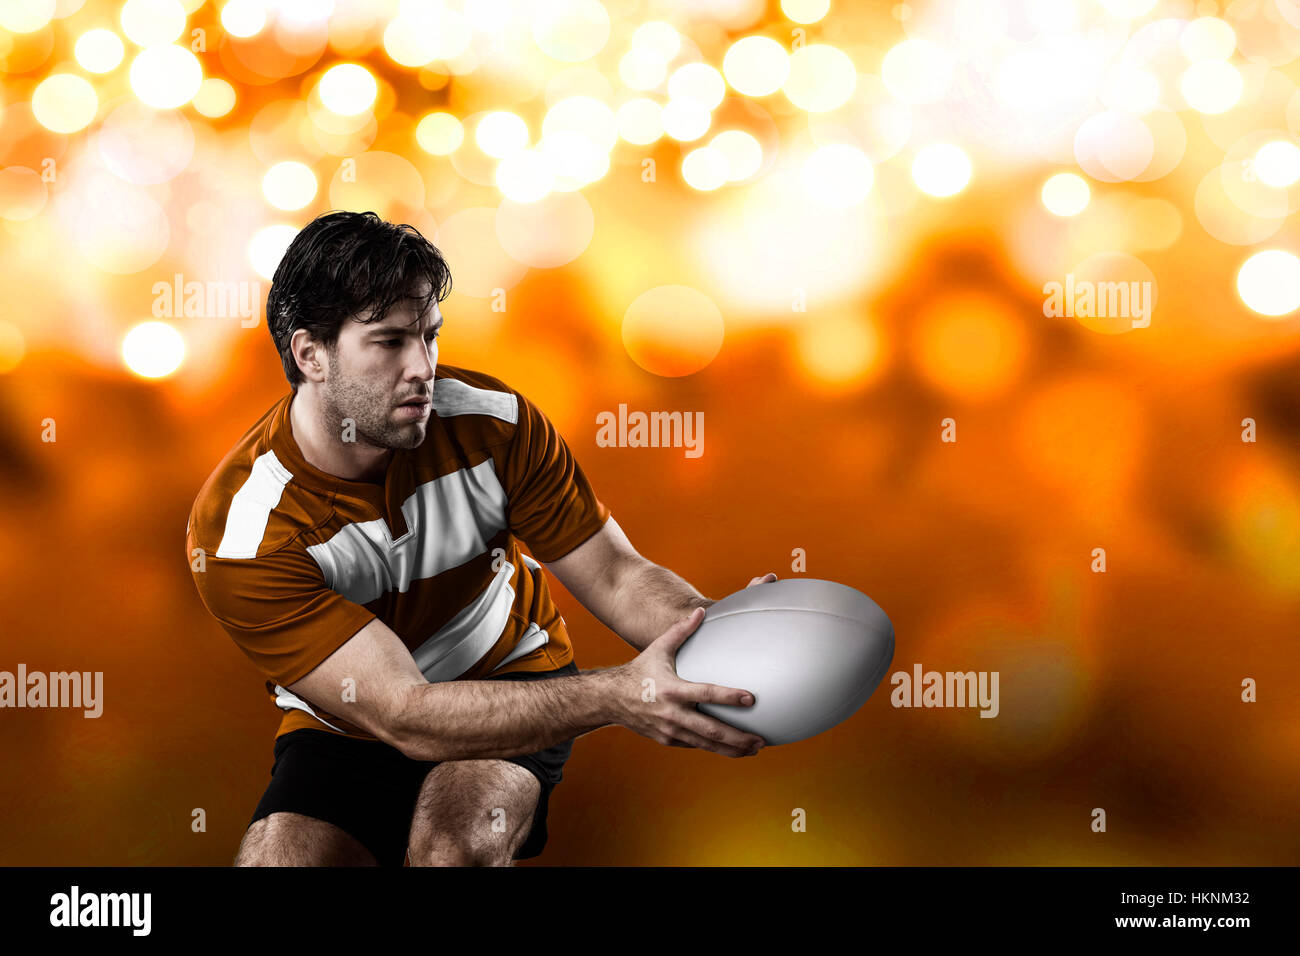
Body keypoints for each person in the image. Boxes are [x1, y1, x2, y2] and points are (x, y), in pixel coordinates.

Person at [185, 210, 771, 867]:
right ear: (309, 354)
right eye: (389, 342)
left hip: (511, 680)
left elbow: (614, 575)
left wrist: (721, 636)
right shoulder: (242, 533)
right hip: (351, 720)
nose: (422, 369)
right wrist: (618, 696)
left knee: (449, 854)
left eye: (429, 337)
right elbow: (403, 712)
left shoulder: (496, 425)